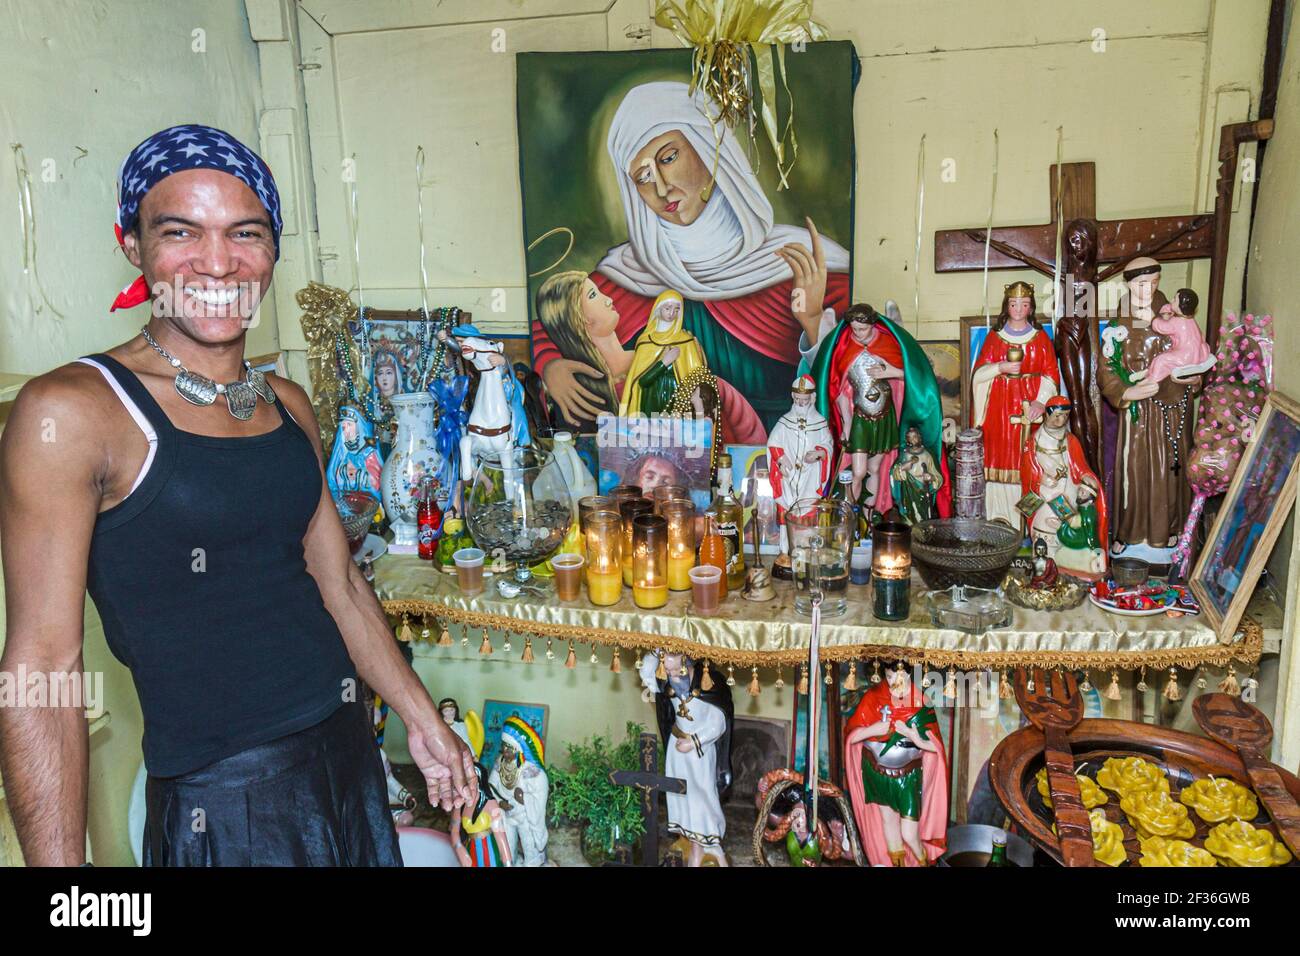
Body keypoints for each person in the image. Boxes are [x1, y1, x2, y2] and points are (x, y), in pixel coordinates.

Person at [0, 124, 475, 866]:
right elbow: (42, 670)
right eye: (181, 231)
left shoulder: (285, 401)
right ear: (133, 245)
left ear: (272, 249)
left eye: (244, 232)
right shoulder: (75, 411)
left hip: (348, 759)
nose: (217, 262)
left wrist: (421, 720)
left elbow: (339, 582)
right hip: (223, 809)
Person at [530, 81, 851, 435]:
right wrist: (551, 367)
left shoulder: (797, 261)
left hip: (778, 448)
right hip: (671, 462)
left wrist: (813, 322)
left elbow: (849, 372)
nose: (662, 188)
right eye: (643, 177)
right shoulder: (630, 272)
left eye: (669, 158)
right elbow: (555, 321)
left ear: (708, 149)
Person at [533, 270, 764, 440]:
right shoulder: (580, 387)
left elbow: (724, 410)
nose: (609, 298)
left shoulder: (658, 349)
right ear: (579, 318)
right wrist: (549, 367)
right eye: (594, 295)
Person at [1100, 257, 1201, 561]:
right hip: (1137, 414)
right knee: (1134, 470)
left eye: (1155, 282)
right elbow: (1106, 369)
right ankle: (1128, 534)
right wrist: (1126, 390)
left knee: (1171, 468)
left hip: (1172, 409)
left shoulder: (1175, 318)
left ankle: (1170, 532)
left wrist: (1196, 379)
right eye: (1142, 283)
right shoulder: (1119, 324)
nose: (1149, 289)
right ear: (1129, 284)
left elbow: (1195, 350)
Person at [809, 303, 950, 518]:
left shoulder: (888, 344)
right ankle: (851, 517)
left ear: (872, 324)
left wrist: (891, 372)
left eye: (862, 329)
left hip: (885, 417)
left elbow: (916, 378)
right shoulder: (845, 346)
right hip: (860, 419)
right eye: (854, 329)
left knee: (874, 469)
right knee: (857, 471)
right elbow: (837, 389)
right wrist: (846, 422)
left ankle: (868, 517)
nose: (858, 334)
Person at [969, 281, 1059, 525]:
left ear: (1031, 308)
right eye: (1013, 304)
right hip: (998, 411)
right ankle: (999, 520)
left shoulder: (1040, 340)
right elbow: (977, 376)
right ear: (1006, 306)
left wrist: (1041, 402)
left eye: (1024, 304)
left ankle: (1030, 526)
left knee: (1029, 463)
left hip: (1029, 410)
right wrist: (1000, 367)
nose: (1018, 309)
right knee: (998, 462)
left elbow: (1051, 375)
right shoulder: (995, 338)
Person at [843, 663, 948, 866]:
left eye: (898, 676)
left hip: (908, 776)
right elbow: (852, 735)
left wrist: (913, 737)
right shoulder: (873, 697)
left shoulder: (920, 700)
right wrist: (873, 729)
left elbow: (936, 747)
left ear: (909, 674)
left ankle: (924, 863)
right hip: (876, 771)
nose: (893, 682)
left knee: (909, 833)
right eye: (889, 676)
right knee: (888, 825)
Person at [640, 651, 734, 867]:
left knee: (702, 799)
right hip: (677, 750)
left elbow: (718, 724)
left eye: (675, 670)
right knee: (682, 798)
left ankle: (711, 851)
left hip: (699, 754)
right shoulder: (669, 684)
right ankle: (694, 849)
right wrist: (656, 653)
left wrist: (694, 742)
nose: (671, 674)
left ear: (687, 663)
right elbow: (646, 673)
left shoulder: (709, 685)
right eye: (667, 669)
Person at [1021, 396, 1108, 578]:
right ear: (1047, 414)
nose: (1062, 420)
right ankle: (1044, 567)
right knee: (1046, 530)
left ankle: (1071, 562)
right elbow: (1027, 467)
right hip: (1045, 494)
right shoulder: (1034, 441)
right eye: (1058, 415)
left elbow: (1078, 465)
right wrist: (1041, 477)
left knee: (1074, 523)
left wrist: (1086, 476)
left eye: (1066, 415)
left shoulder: (1070, 440)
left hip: (1068, 491)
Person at [766, 375, 833, 556]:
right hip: (789, 478)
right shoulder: (784, 421)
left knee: (808, 511)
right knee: (788, 511)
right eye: (797, 400)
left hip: (810, 477)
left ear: (812, 398)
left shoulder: (819, 422)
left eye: (804, 400)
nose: (801, 404)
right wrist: (780, 459)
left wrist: (818, 454)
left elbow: (828, 445)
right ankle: (785, 552)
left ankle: (804, 551)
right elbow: (773, 443)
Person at [488, 716, 550, 867]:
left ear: (518, 749)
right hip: (506, 815)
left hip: (525, 817)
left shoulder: (532, 771)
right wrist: (500, 802)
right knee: (507, 846)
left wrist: (524, 798)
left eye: (508, 747)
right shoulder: (499, 762)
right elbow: (491, 785)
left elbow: (541, 793)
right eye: (503, 745)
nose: (504, 750)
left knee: (530, 848)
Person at [1135, 289, 1214, 386]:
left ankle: (1152, 380)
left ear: (1181, 307)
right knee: (1164, 357)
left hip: (1186, 356)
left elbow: (1161, 327)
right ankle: (1150, 372)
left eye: (1174, 299)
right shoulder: (1190, 319)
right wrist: (1169, 308)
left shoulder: (1177, 322)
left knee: (1161, 360)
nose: (1171, 300)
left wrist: (1152, 318)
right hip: (1197, 353)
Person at [451, 763, 512, 868]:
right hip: (471, 853)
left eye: (470, 779)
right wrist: (459, 848)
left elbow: (501, 837)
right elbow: (454, 830)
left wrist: (508, 863)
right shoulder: (460, 805)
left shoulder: (491, 804)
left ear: (478, 780)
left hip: (491, 852)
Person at [326, 403, 383, 500]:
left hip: (368, 505)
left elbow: (377, 483)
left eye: (349, 425)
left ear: (359, 426)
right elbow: (331, 482)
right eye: (343, 427)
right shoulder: (340, 454)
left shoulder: (369, 453)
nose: (346, 430)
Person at [890, 425, 943, 525]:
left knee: (923, 517)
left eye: (915, 436)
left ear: (920, 437)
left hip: (922, 490)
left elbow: (937, 476)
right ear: (907, 440)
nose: (913, 439)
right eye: (910, 437)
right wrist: (902, 468)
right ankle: (909, 528)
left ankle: (922, 530)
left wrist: (931, 477)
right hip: (908, 491)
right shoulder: (904, 455)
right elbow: (894, 472)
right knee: (908, 514)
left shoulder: (927, 455)